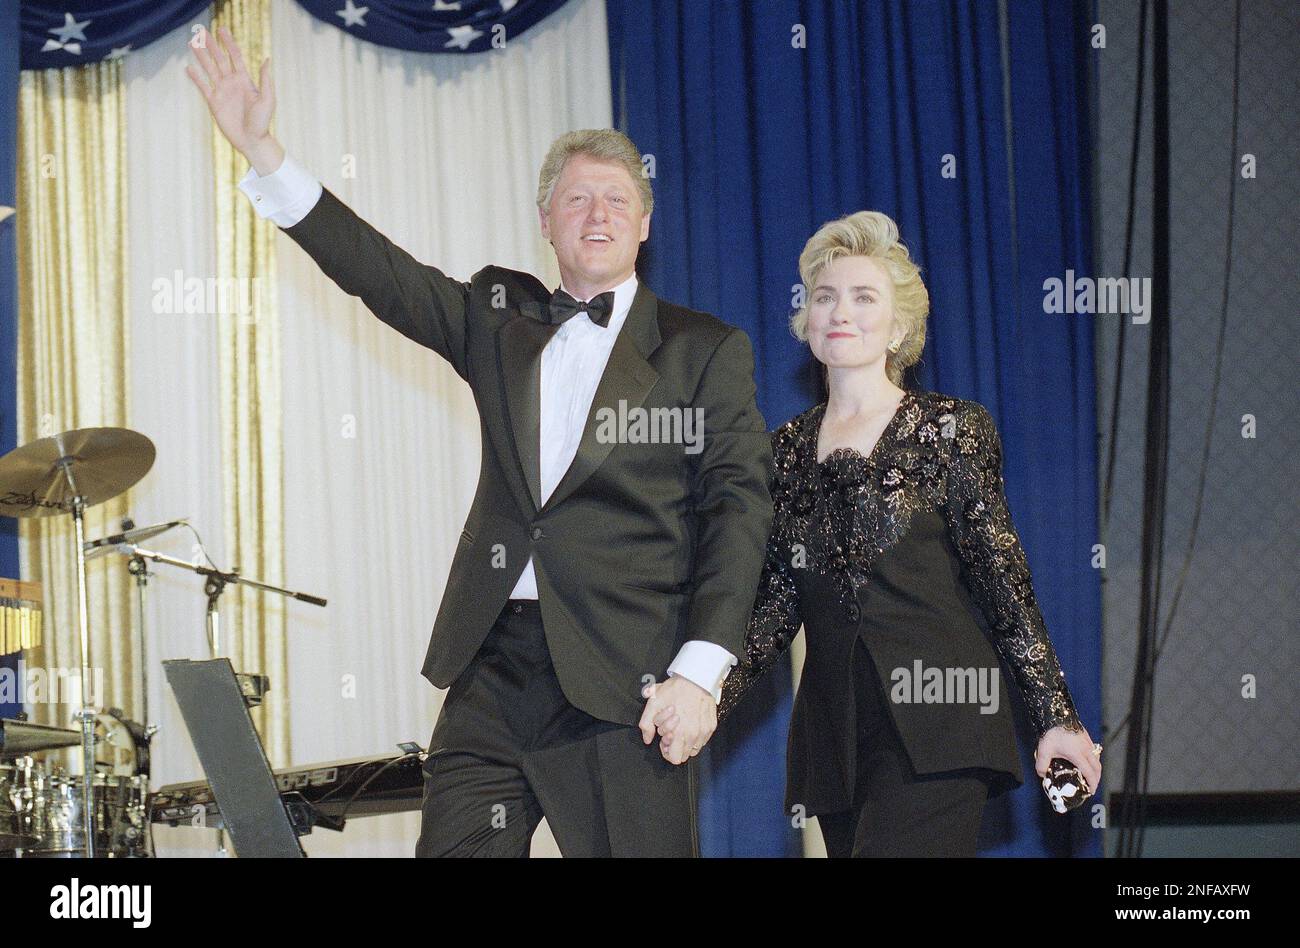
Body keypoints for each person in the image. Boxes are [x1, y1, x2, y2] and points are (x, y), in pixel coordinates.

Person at [187, 25, 772, 857]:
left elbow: (738, 512)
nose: (596, 213)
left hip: (626, 679)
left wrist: (700, 672)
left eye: (616, 198)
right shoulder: (501, 320)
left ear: (645, 222)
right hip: (493, 670)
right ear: (546, 220)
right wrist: (266, 152)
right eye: (576, 198)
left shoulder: (703, 348)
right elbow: (381, 273)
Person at [693, 210, 1101, 857]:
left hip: (943, 723)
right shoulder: (785, 451)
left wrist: (1055, 717)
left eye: (863, 296)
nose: (839, 311)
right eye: (825, 297)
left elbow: (1004, 584)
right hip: (834, 736)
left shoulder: (951, 429)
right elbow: (774, 607)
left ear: (900, 324)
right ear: (806, 320)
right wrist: (703, 694)